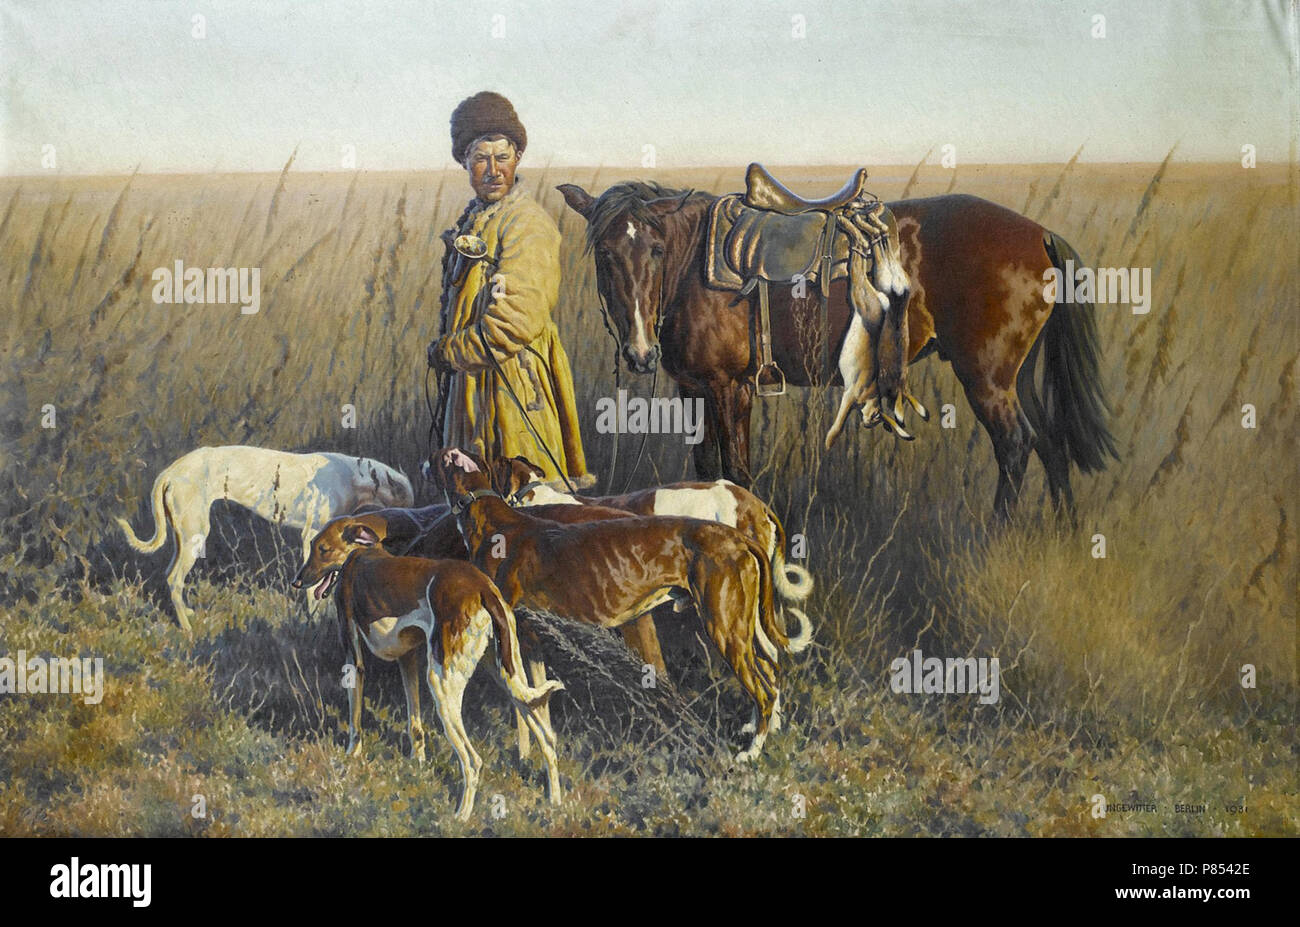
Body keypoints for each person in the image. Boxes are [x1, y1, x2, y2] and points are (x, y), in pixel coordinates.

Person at [427, 91, 592, 486]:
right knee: (473, 509)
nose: (492, 169)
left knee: (524, 507)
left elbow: (515, 322)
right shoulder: (476, 219)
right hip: (471, 388)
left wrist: (450, 352)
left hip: (515, 390)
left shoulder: (527, 224)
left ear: (518, 158)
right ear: (464, 163)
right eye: (480, 158)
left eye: (502, 157)